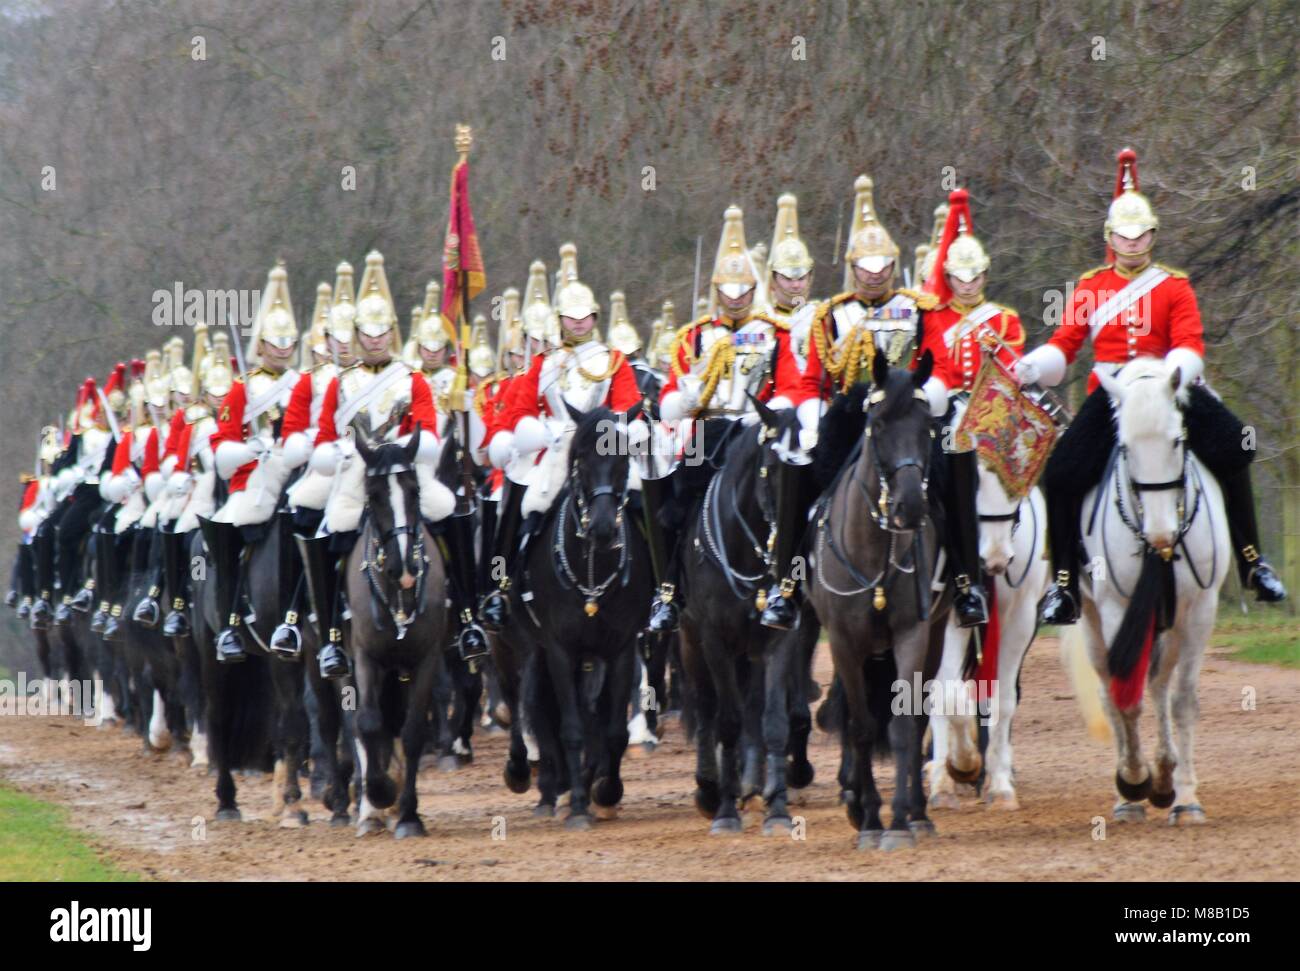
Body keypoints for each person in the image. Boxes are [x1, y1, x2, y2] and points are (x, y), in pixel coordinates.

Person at [1015, 148, 1287, 622]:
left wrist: (1173, 374)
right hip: (1115, 395)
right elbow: (1065, 346)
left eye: (1141, 234)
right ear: (1110, 238)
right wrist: (1034, 367)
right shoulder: (1090, 287)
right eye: (1124, 235)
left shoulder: (1174, 286)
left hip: (1167, 387)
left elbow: (1189, 342)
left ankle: (1251, 561)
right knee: (1060, 474)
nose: (1133, 242)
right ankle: (1063, 586)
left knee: (1236, 447)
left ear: (1153, 236)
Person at [800, 176, 990, 628]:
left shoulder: (920, 308)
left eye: (882, 261)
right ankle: (789, 583)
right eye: (865, 263)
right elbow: (813, 380)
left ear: (893, 262)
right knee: (801, 473)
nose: (874, 270)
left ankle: (966, 582)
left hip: (908, 414)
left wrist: (926, 397)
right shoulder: (831, 315)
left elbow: (941, 365)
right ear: (851, 266)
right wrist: (811, 421)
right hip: (851, 417)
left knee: (957, 466)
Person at [646, 205, 820, 633]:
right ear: (716, 288)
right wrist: (681, 399)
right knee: (677, 499)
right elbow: (669, 393)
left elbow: (794, 385)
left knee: (790, 490)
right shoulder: (693, 336)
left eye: (745, 288)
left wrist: (776, 411)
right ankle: (668, 590)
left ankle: (786, 584)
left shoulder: (772, 332)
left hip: (754, 428)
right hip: (708, 428)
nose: (738, 296)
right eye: (730, 288)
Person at [482, 247, 642, 629]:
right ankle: (501, 587)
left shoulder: (614, 359)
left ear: (595, 317)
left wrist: (619, 431)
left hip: (604, 447)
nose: (580, 323)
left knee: (641, 497)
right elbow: (520, 412)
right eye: (572, 317)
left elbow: (630, 405)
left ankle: (660, 588)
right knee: (522, 504)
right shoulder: (543, 364)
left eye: (586, 316)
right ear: (560, 320)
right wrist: (545, 432)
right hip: (556, 449)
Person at [305, 250, 448, 678]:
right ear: (357, 334)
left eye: (382, 332)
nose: (375, 340)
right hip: (356, 470)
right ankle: (329, 632)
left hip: (404, 467)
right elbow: (322, 437)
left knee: (450, 510)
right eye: (367, 333)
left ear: (392, 332)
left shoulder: (412, 378)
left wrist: (399, 448)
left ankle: (468, 612)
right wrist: (339, 452)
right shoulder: (340, 382)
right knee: (323, 522)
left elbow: (428, 430)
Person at [205, 262, 301, 663]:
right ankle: (229, 624)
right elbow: (223, 449)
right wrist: (250, 449)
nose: (282, 348)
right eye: (274, 341)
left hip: (297, 472)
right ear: (260, 345)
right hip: (255, 478)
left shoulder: (303, 385)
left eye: (288, 341)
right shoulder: (240, 391)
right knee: (227, 529)